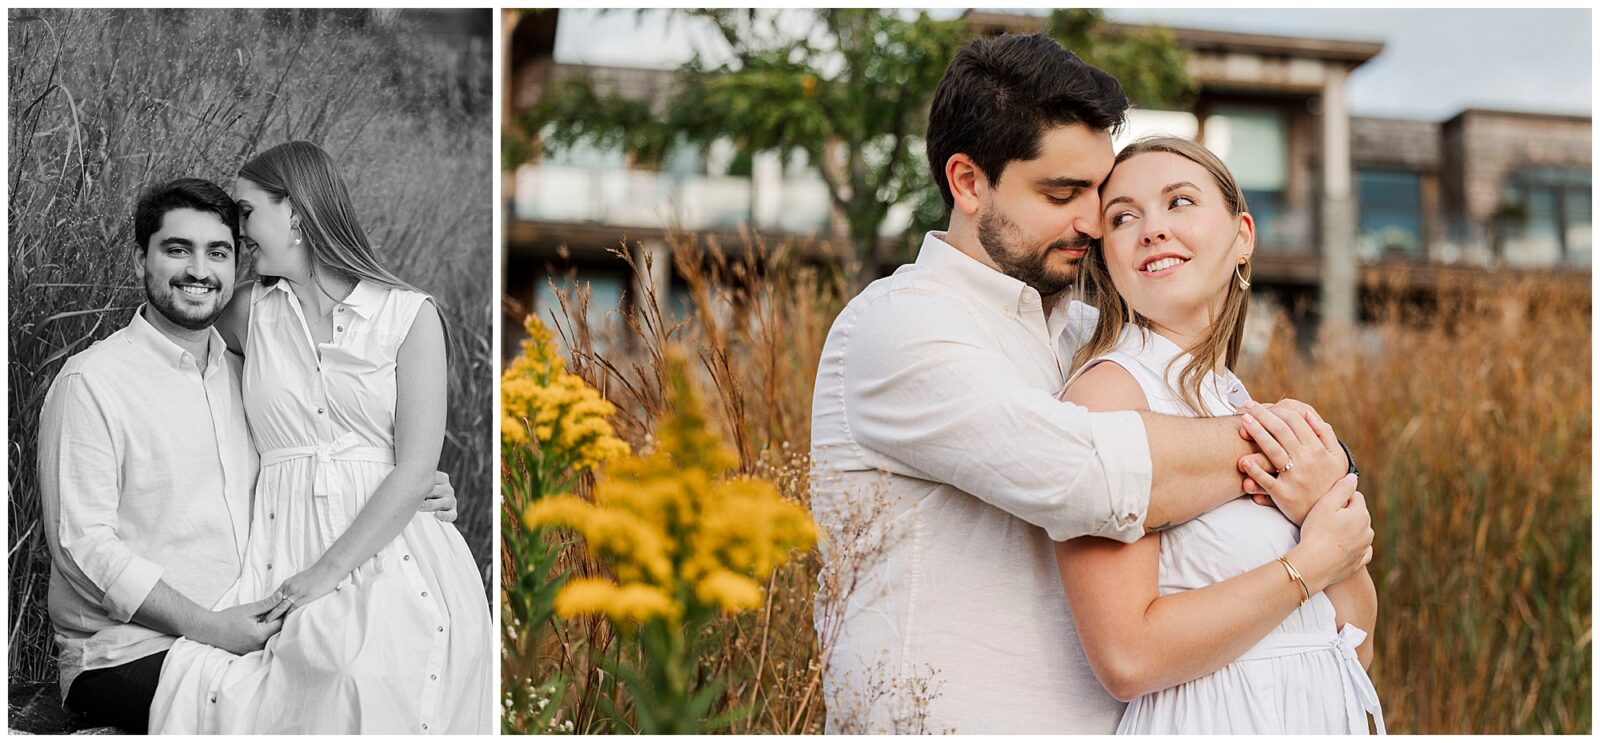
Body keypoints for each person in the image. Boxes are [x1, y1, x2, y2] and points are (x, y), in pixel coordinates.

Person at [808, 34, 1371, 733]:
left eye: (1098, 193)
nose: (1090, 221)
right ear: (968, 182)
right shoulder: (899, 329)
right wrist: (1308, 455)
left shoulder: (1088, 335)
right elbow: (1089, 477)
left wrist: (1318, 472)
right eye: (1061, 192)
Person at [37, 177, 458, 734]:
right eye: (177, 249)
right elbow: (82, 547)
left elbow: (321, 452)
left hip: (252, 634)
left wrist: (415, 482)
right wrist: (211, 627)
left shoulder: (248, 376)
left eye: (219, 252)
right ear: (142, 259)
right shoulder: (93, 382)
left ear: (239, 267)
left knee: (394, 675)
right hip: (131, 651)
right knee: (309, 709)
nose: (199, 270)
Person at [148, 141, 493, 734]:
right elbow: (172, 355)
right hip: (281, 540)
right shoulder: (246, 312)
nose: (238, 229)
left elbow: (413, 470)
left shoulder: (408, 317)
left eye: (246, 211)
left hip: (388, 541)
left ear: (297, 214)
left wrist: (327, 572)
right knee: (262, 683)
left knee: (370, 674)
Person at [1056, 136, 1382, 734]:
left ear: (1242, 236)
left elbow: (1354, 647)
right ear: (1106, 258)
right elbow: (1127, 657)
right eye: (1123, 217)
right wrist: (1313, 562)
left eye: (1179, 202)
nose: (1151, 228)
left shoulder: (1242, 402)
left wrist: (1333, 541)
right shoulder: (1110, 394)